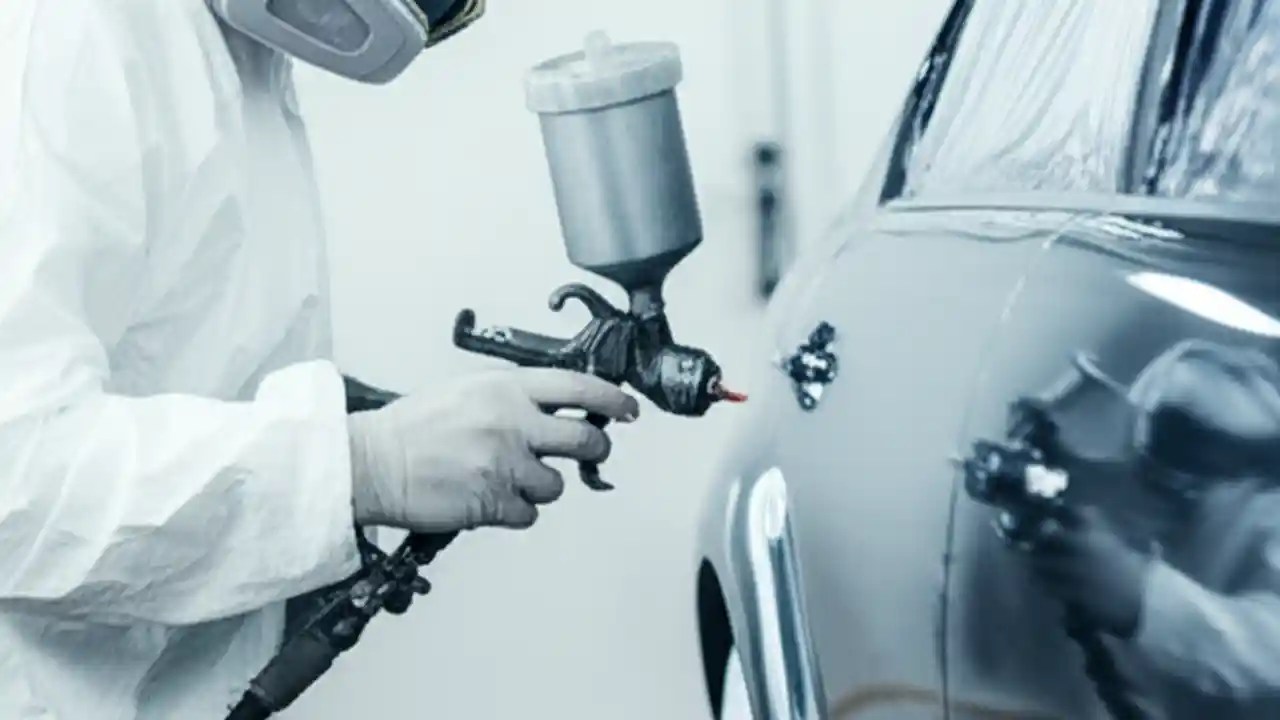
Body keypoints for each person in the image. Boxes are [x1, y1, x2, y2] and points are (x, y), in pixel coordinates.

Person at [0, 2, 641, 718]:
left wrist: (350, 422)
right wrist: (355, 467)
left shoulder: (235, 46)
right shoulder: (67, 34)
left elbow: (166, 349)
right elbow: (15, 473)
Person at [1027, 340, 1280, 718]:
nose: (1160, 485)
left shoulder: (1267, 517)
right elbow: (1125, 490)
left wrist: (1142, 600)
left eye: (1190, 469)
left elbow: (1270, 647)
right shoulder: (1160, 489)